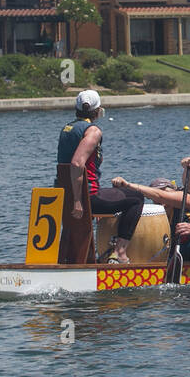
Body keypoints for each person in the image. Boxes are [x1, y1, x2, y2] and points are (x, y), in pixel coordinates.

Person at [56, 90, 143, 264]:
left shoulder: (67, 128)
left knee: (115, 194)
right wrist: (78, 201)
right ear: (97, 111)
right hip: (86, 197)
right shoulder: (93, 131)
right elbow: (76, 164)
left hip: (63, 195)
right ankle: (119, 252)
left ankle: (74, 258)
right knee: (136, 198)